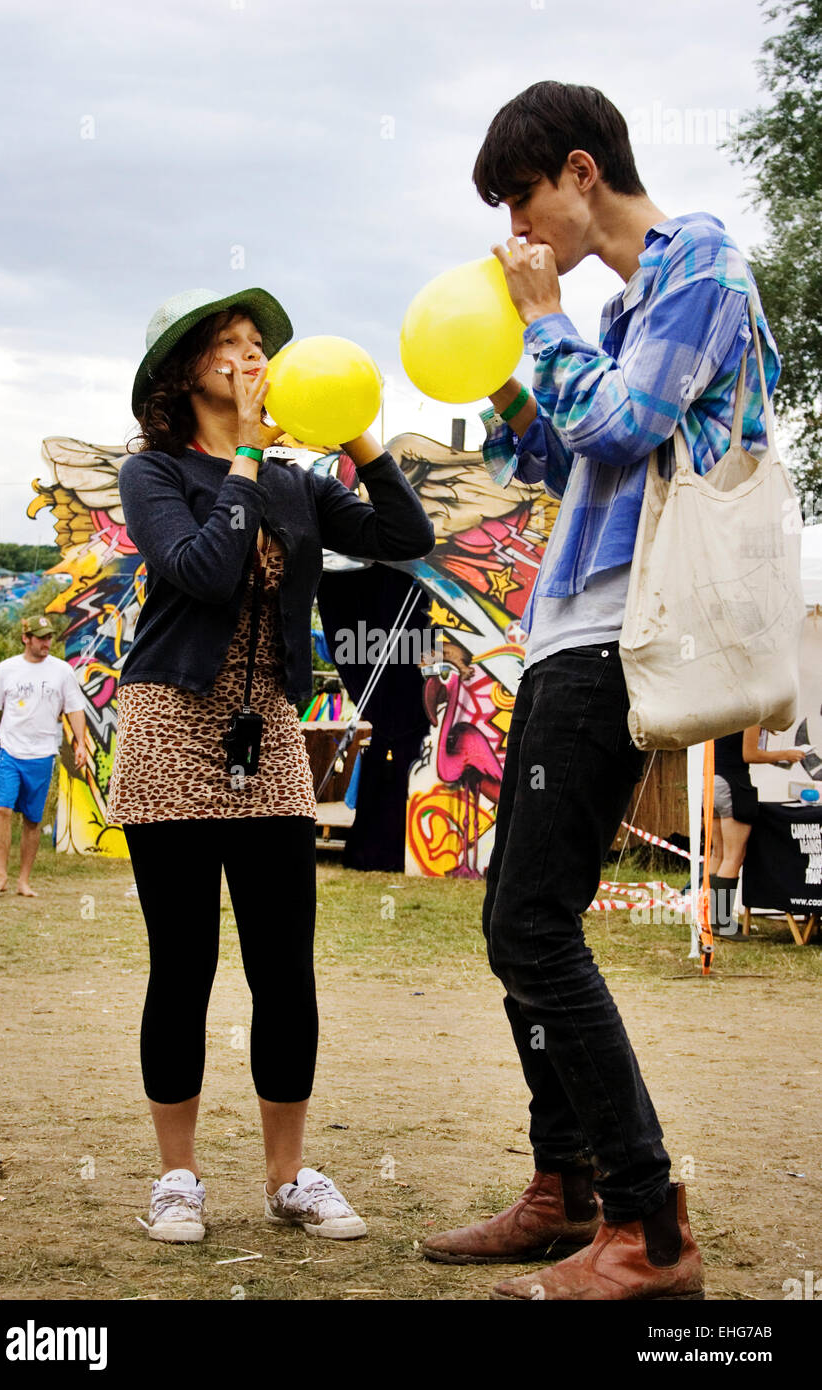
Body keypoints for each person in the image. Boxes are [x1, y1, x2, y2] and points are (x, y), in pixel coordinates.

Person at [422, 80, 781, 1301]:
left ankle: (647, 1225)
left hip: (619, 634)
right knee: (513, 922)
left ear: (579, 172)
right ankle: (563, 1186)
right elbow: (552, 452)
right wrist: (510, 364)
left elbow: (624, 425)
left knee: (529, 922)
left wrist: (538, 321)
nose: (518, 231)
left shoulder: (699, 263)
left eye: (521, 199)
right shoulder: (622, 303)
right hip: (561, 631)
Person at [106, 287, 433, 1244]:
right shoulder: (155, 474)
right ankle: (178, 1177)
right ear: (188, 375)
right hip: (171, 725)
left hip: (271, 736)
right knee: (185, 966)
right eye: (233, 347)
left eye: (261, 349)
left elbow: (405, 540)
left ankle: (288, 1178)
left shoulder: (298, 485)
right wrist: (247, 453)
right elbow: (203, 571)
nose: (254, 360)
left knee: (284, 969)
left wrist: (363, 442)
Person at [0, 615, 87, 896]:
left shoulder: (62, 671)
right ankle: (0, 875)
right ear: (26, 638)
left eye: (49, 637)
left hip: (42, 754)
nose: (46, 642)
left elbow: (75, 709)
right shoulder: (6, 669)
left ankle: (23, 880)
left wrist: (80, 744)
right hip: (11, 751)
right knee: (2, 809)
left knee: (32, 819)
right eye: (41, 637)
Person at [710, 727, 804, 936]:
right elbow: (749, 754)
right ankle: (721, 923)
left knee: (718, 853)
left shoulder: (727, 710)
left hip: (712, 780)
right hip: (732, 783)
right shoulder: (752, 715)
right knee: (733, 856)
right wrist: (785, 755)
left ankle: (711, 918)